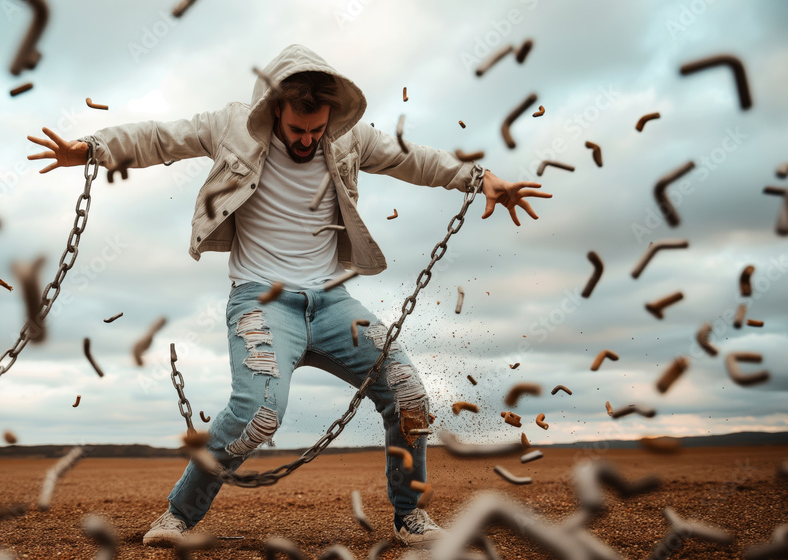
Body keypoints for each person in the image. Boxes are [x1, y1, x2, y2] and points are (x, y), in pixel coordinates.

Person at [27, 44, 550, 548]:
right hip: (261, 299)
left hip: (333, 302)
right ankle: (179, 514)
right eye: (298, 129)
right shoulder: (230, 126)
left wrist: (479, 178)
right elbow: (162, 137)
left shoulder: (350, 138)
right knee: (258, 414)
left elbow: (413, 160)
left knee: (409, 395)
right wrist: (93, 148)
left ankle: (409, 515)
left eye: (316, 130)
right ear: (275, 109)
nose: (307, 140)